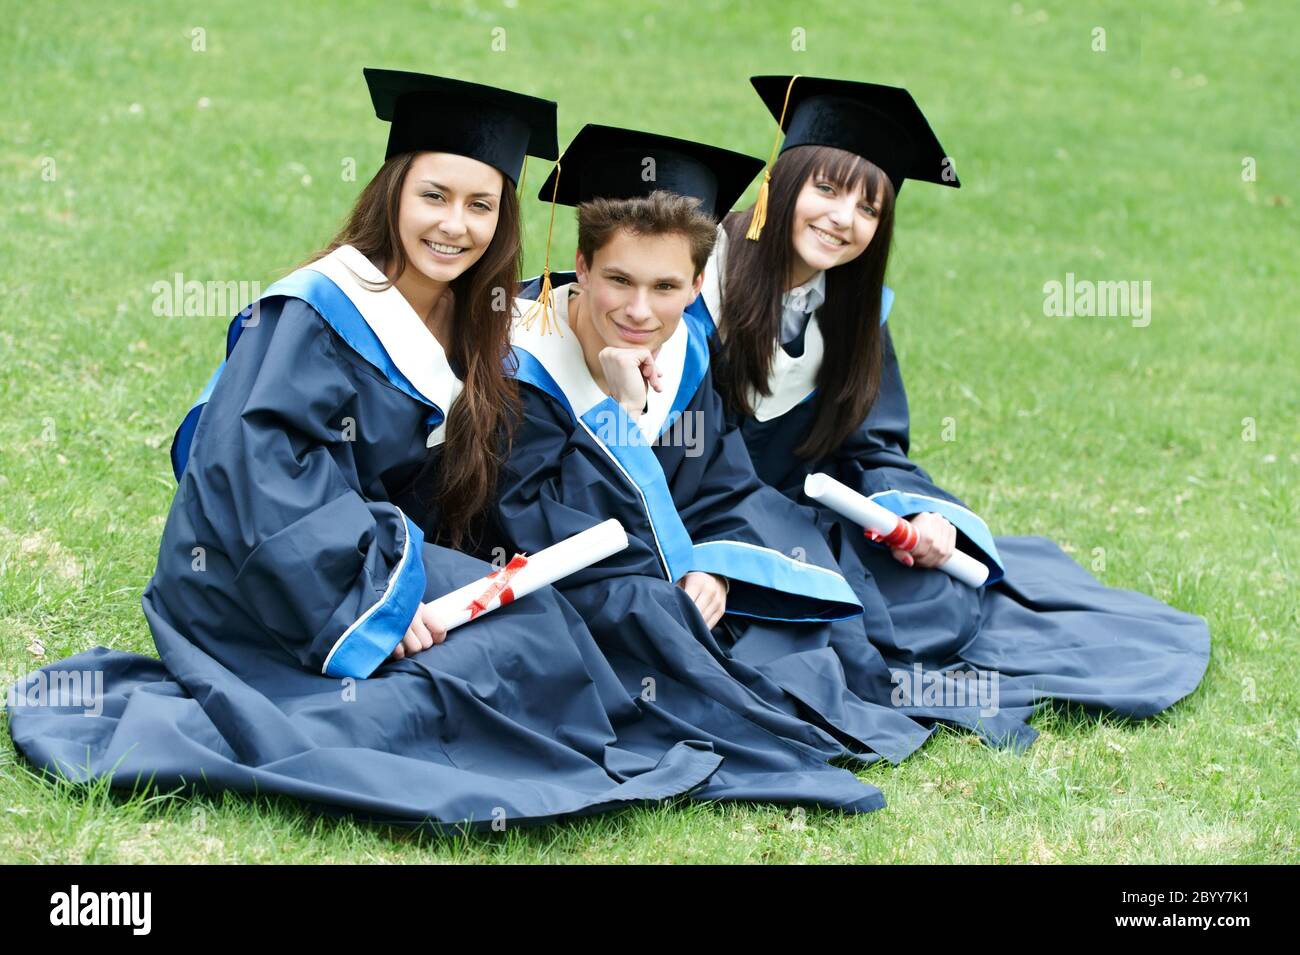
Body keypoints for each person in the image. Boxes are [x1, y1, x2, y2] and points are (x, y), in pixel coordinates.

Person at [6, 70, 729, 833]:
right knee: (485, 665)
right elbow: (255, 479)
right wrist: (382, 590)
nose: (455, 224)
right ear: (393, 194)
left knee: (537, 632)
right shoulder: (318, 310)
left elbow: (500, 476)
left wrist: (621, 403)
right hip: (272, 580)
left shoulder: (472, 320)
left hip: (379, 562)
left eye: (480, 205)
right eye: (434, 196)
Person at [693, 75, 1210, 747]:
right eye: (826, 188)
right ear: (780, 184)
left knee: (929, 600)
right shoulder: (694, 287)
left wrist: (913, 512)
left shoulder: (852, 314)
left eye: (869, 207)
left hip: (806, 520)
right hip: (708, 522)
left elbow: (871, 444)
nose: (844, 219)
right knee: (802, 644)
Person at [502, 124, 940, 807]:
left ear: (695, 285)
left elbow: (721, 482)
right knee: (652, 613)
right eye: (618, 278)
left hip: (659, 568)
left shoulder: (684, 356)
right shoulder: (523, 360)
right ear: (580, 268)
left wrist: (712, 563)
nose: (640, 308)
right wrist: (616, 412)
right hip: (569, 574)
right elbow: (531, 517)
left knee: (796, 605)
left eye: (666, 286)